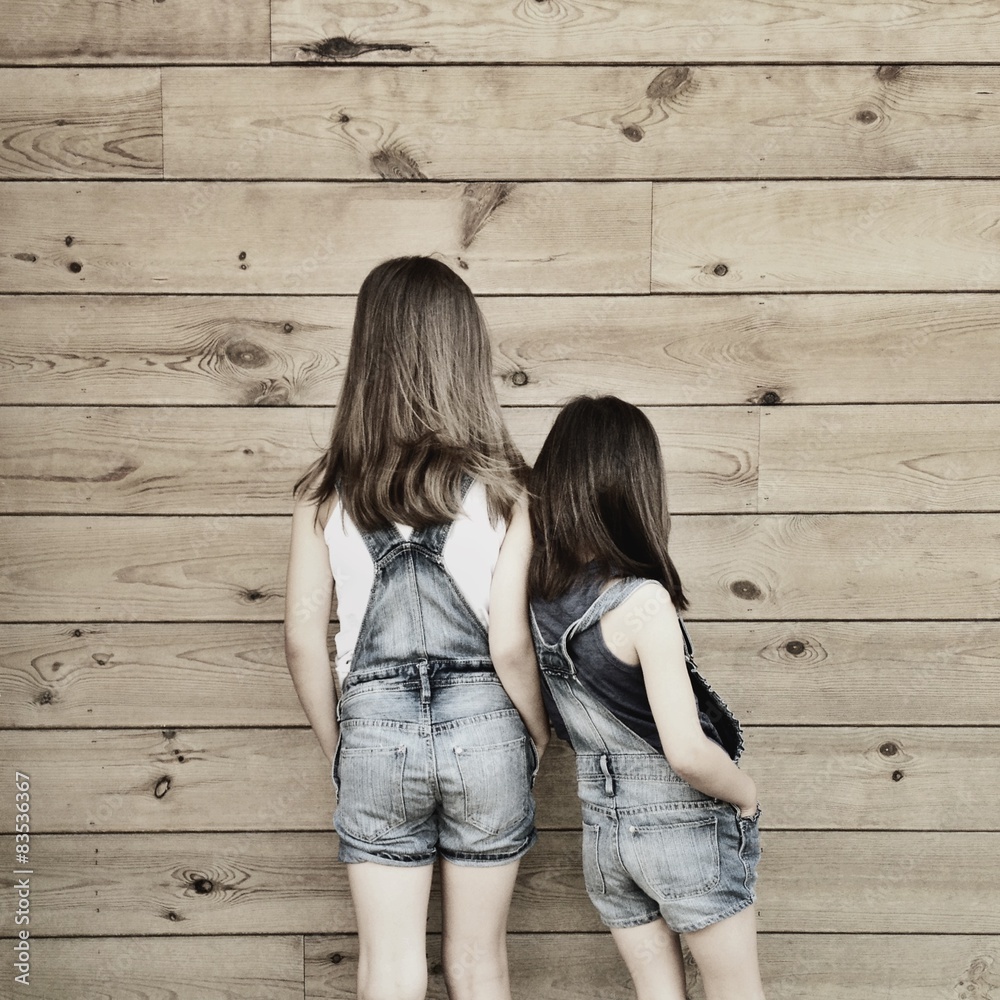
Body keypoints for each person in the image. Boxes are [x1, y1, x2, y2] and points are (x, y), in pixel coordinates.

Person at [283, 256, 549, 1000]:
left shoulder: (324, 490)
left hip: (373, 730)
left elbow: (304, 639)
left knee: (390, 966)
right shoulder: (506, 485)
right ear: (463, 352)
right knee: (479, 962)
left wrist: (345, 746)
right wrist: (535, 733)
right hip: (487, 725)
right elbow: (509, 640)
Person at [507, 394, 766, 1000]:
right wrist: (745, 794)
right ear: (638, 485)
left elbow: (509, 652)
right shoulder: (642, 601)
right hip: (680, 824)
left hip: (605, 835)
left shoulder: (540, 607)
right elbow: (685, 752)